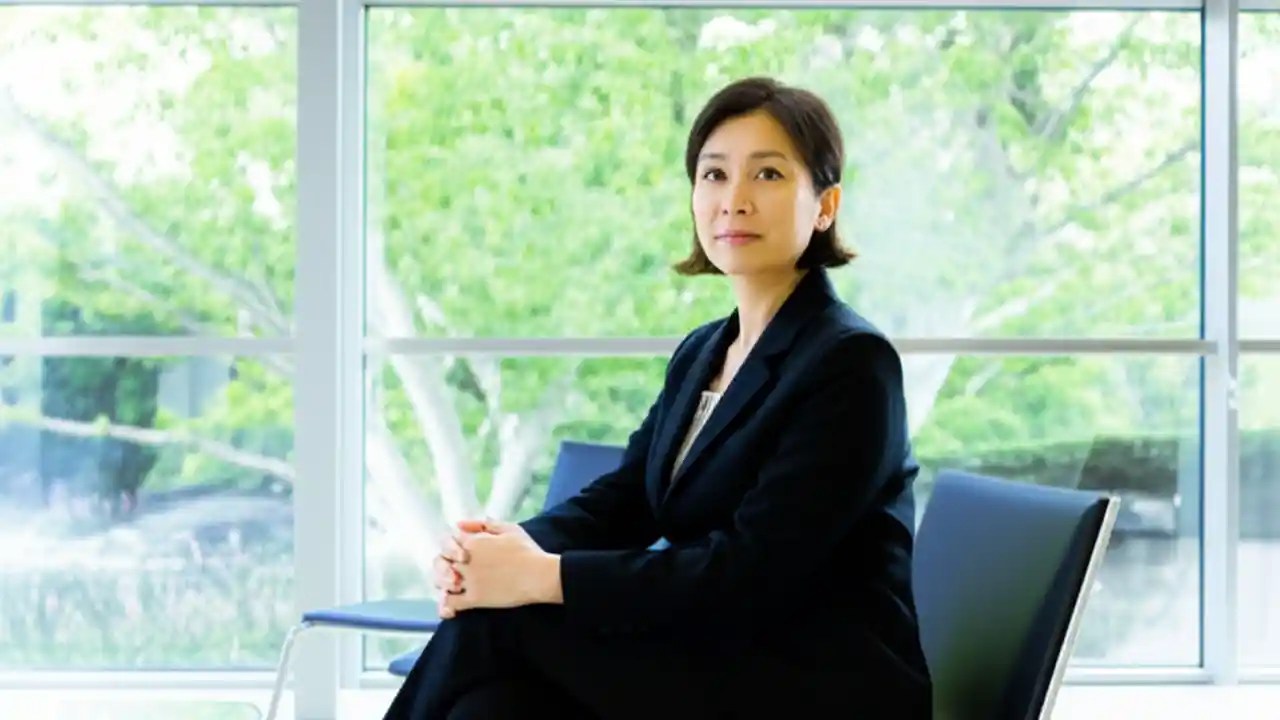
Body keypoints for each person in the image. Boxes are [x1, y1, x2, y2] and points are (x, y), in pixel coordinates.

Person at [383, 75, 933, 720]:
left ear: (825, 205)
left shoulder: (849, 362)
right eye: (714, 175)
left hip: (816, 678)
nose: (734, 201)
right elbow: (625, 501)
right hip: (721, 651)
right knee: (495, 707)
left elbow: (751, 572)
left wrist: (539, 578)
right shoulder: (704, 352)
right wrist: (496, 552)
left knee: (498, 625)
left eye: (769, 175)